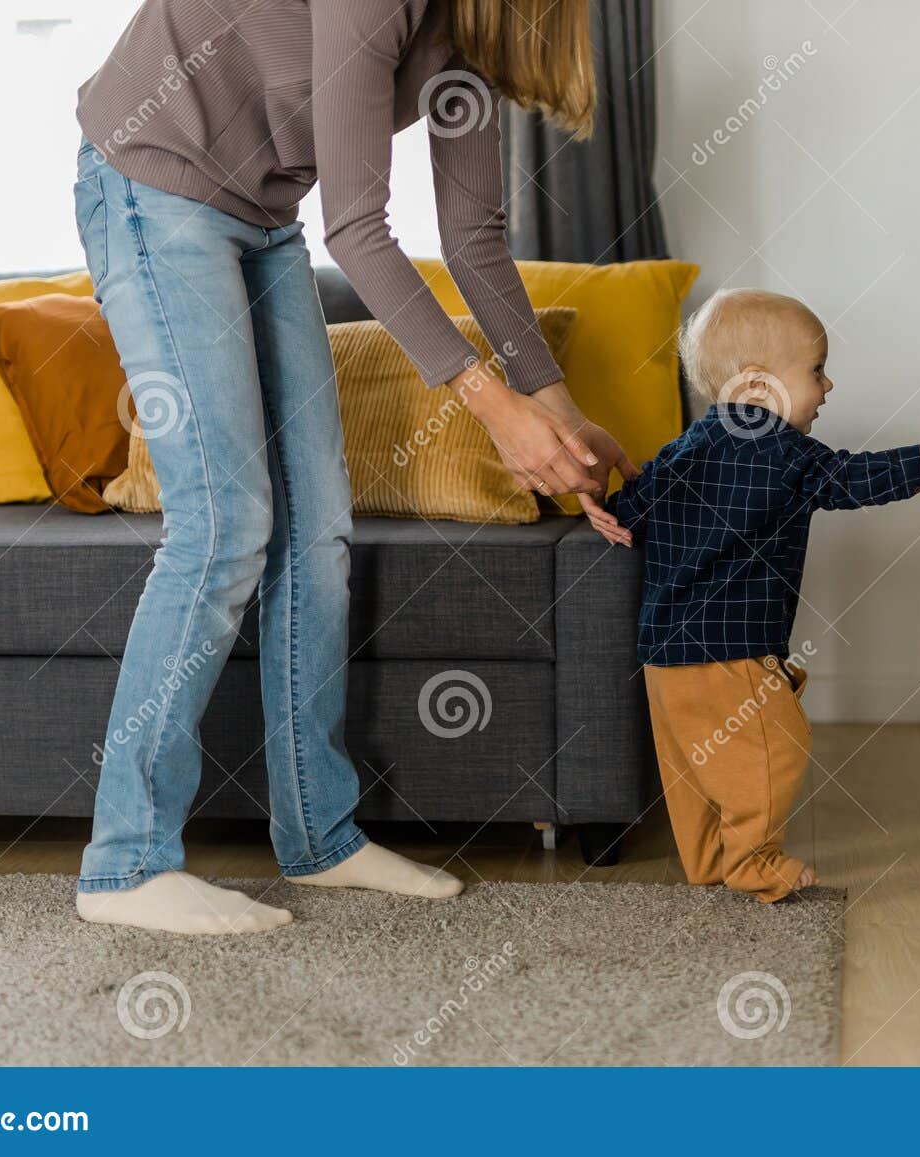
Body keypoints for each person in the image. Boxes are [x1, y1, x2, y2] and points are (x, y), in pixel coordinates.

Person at [70, 0, 632, 934]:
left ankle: (319, 836)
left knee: (319, 528)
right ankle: (125, 864)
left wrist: (560, 411)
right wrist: (494, 408)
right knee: (224, 524)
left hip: (260, 215)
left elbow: (475, 238)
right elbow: (359, 229)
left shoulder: (467, 34)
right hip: (152, 180)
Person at [595, 289, 920, 901]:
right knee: (773, 751)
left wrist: (599, 504)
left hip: (662, 654)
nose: (828, 386)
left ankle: (709, 862)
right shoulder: (781, 450)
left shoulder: (685, 447)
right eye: (817, 369)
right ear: (759, 385)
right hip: (730, 649)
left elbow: (629, 514)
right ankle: (755, 862)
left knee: (693, 769)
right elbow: (851, 480)